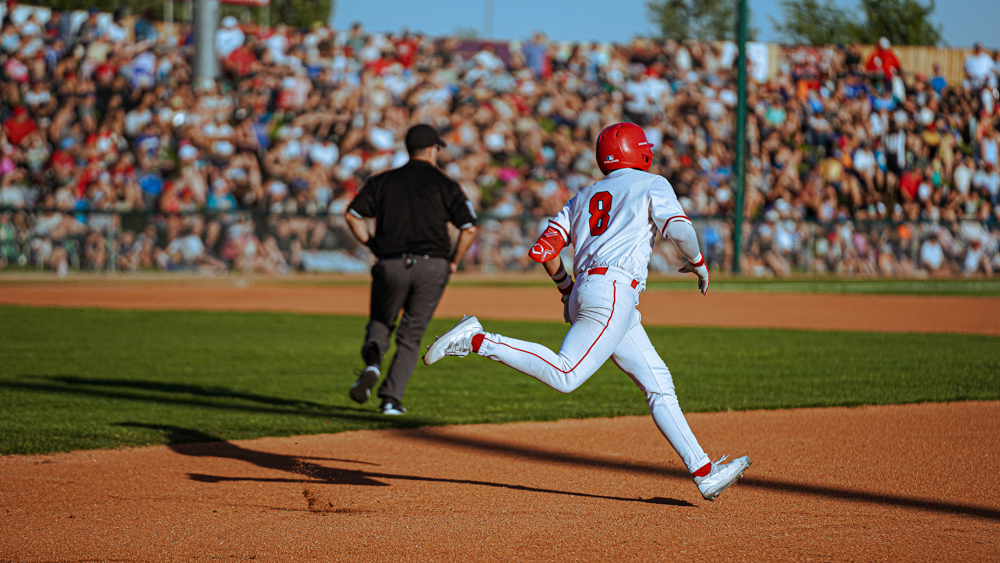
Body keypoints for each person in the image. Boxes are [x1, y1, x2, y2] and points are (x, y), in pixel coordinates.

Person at [423, 123, 750, 501]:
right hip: (613, 292)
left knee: (659, 384)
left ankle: (705, 472)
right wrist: (697, 261)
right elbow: (679, 229)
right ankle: (478, 339)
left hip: (593, 291)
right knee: (566, 374)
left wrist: (566, 290)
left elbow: (543, 251)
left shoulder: (583, 196)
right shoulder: (651, 183)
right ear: (638, 152)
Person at [344, 124, 478, 415]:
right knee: (411, 334)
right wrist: (454, 261)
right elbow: (469, 228)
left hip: (390, 262)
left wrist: (373, 245)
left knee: (381, 321)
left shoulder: (384, 181)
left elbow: (353, 215)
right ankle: (391, 400)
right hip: (433, 265)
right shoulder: (446, 184)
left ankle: (371, 364)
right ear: (433, 150)